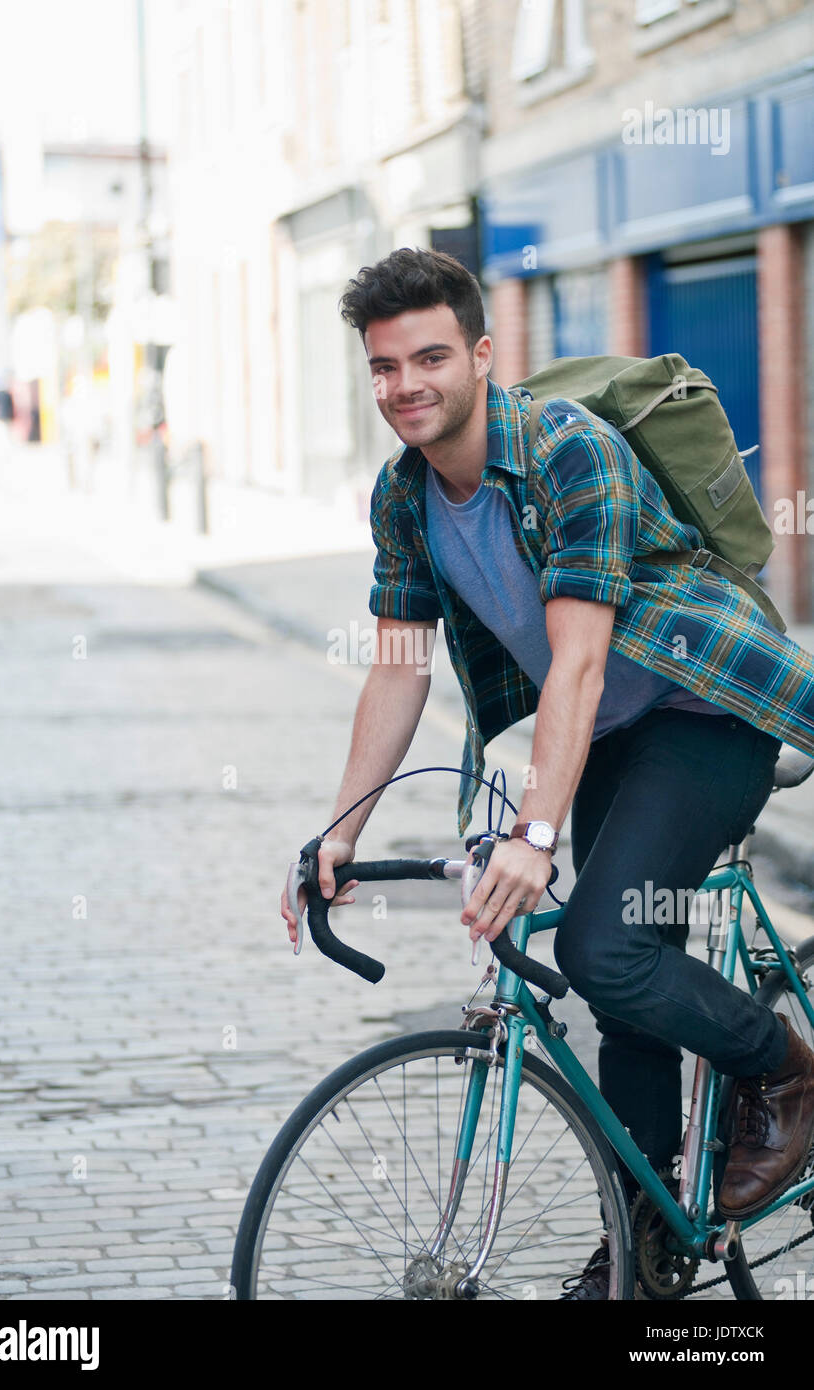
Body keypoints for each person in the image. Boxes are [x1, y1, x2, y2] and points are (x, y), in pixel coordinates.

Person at [280, 246, 814, 1298]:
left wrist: (532, 836)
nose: (404, 386)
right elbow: (395, 670)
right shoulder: (403, 496)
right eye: (384, 368)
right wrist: (339, 827)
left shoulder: (567, 451)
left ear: (481, 353)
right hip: (614, 729)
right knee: (624, 996)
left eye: (429, 357)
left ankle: (783, 1069)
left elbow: (574, 658)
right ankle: (647, 1244)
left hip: (703, 709)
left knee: (601, 945)